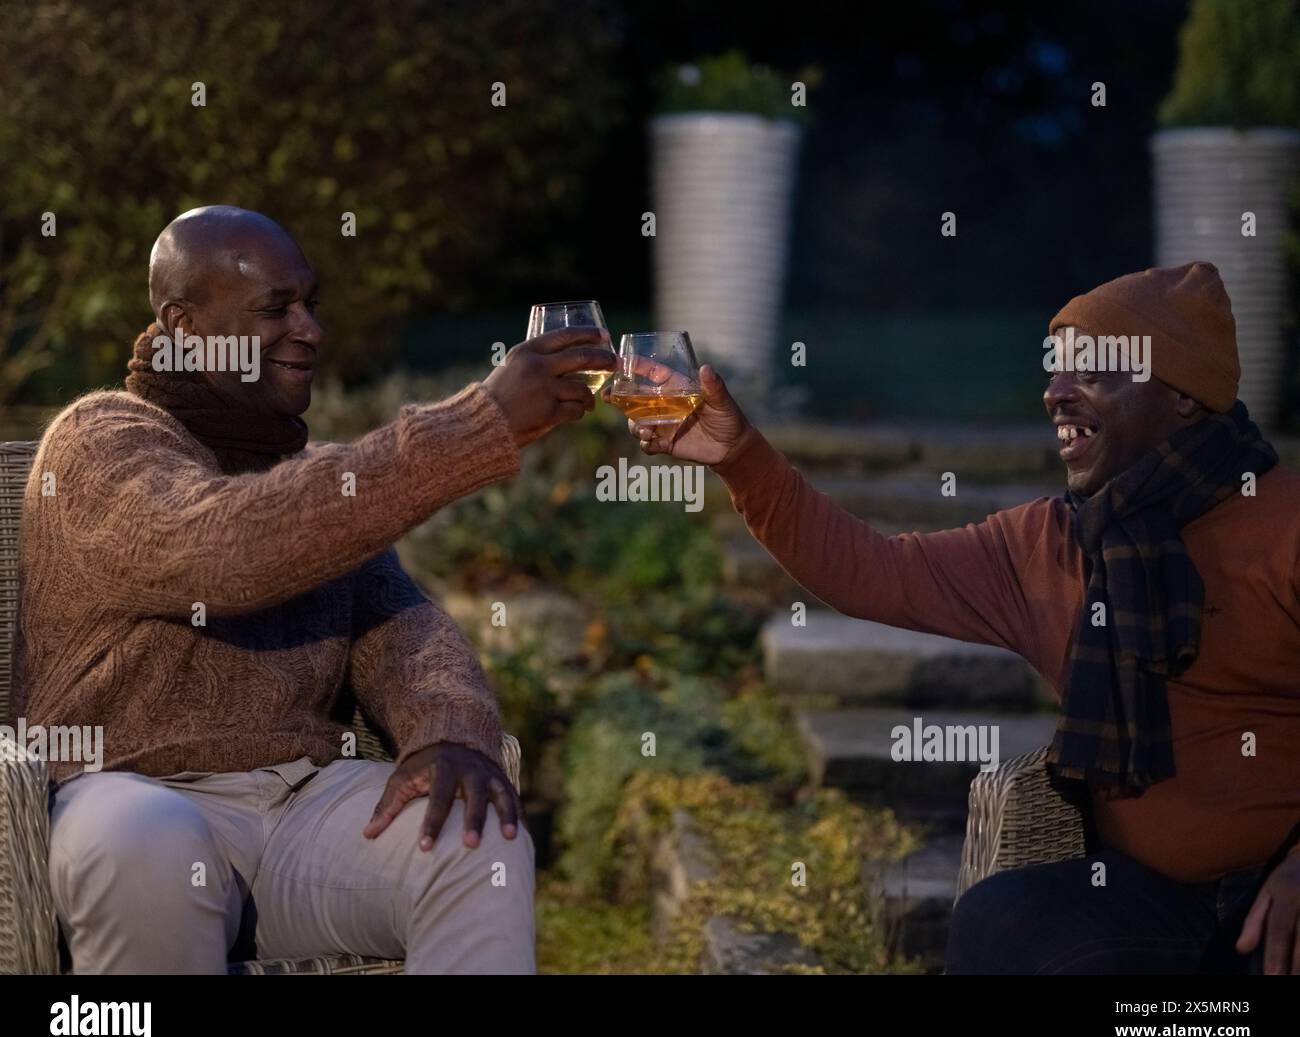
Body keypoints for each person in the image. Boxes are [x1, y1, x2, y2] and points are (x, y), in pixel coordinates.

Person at [630, 262, 1300, 975]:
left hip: (1280, 888)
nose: (1056, 393)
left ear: (1184, 398)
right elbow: (871, 570)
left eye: (1094, 372)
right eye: (1056, 370)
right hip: (1151, 897)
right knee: (1001, 920)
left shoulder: (1282, 521)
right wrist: (740, 459)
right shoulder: (1057, 541)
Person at [15, 204, 615, 974]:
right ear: (183, 323)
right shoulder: (101, 441)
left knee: (477, 836)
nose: (310, 329)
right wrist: (480, 421)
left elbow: (406, 627)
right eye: (275, 309)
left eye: (310, 302)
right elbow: (223, 548)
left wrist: (448, 730)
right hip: (131, 795)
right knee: (147, 843)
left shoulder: (310, 482)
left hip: (303, 807)